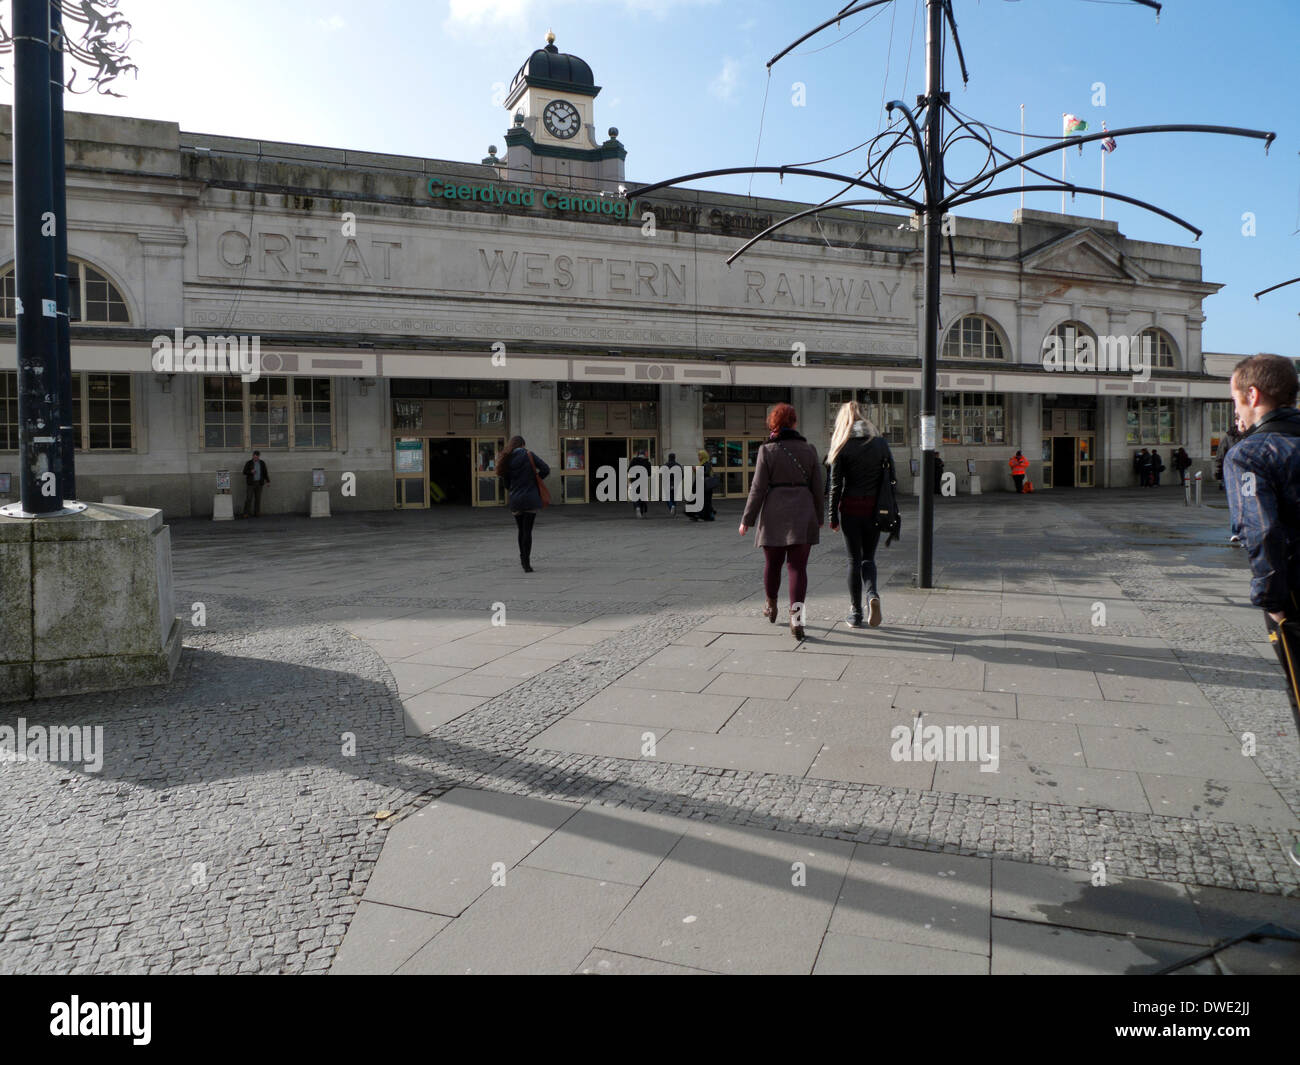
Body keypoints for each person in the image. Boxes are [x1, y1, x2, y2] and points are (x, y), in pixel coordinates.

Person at [1221, 353, 1300, 869]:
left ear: (1253, 395)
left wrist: (1271, 602)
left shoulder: (1251, 453)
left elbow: (1262, 530)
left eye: (1234, 399)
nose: (1235, 413)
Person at [739, 403, 824, 640]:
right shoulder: (809, 449)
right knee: (798, 569)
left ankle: (771, 605)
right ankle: (797, 619)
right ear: (795, 423)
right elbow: (818, 488)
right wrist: (819, 516)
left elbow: (758, 488)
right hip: (803, 512)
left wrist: (747, 519)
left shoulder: (767, 451)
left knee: (772, 565)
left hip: (774, 512)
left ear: (773, 425)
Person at [827, 401, 893, 629]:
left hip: (851, 509)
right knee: (869, 559)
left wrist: (832, 517)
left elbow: (835, 485)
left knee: (854, 560)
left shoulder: (842, 445)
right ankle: (872, 593)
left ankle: (855, 613)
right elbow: (891, 478)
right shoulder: (880, 443)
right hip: (875, 509)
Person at [496, 435, 550, 573]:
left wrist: (514, 488)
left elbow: (506, 482)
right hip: (531, 498)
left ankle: (522, 558)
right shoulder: (529, 455)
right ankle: (527, 563)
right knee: (528, 530)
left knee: (520, 530)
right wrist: (535, 480)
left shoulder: (507, 457)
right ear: (523, 444)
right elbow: (546, 469)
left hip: (516, 499)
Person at [689, 448, 717, 522]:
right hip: (702, 486)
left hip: (706, 487)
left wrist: (697, 470)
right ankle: (705, 515)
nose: (699, 457)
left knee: (705, 502)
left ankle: (705, 515)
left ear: (704, 456)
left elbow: (706, 473)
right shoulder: (701, 464)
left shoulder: (707, 463)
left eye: (700, 455)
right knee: (703, 502)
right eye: (698, 455)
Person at [240, 450, 270, 518]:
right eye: (254, 457)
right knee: (249, 498)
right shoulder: (249, 463)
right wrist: (251, 472)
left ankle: (257, 513)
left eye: (257, 457)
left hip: (259, 483)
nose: (255, 458)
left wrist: (268, 481)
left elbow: (265, 472)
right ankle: (246, 513)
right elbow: (244, 472)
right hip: (251, 483)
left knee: (258, 499)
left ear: (259, 456)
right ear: (252, 456)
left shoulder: (262, 463)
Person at [628, 450, 652, 517]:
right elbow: (649, 474)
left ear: (638, 455)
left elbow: (629, 470)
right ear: (644, 455)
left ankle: (637, 507)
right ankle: (643, 511)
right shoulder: (647, 462)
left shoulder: (633, 461)